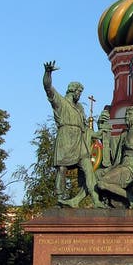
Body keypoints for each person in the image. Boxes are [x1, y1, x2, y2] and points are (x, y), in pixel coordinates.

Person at [43, 61, 99, 206]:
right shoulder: (60, 102)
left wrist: (98, 134)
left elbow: (86, 127)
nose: (80, 95)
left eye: (80, 92)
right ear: (72, 91)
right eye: (78, 92)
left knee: (88, 167)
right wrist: (48, 73)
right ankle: (60, 197)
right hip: (66, 137)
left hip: (79, 140)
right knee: (62, 168)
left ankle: (95, 198)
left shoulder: (79, 108)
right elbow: (48, 88)